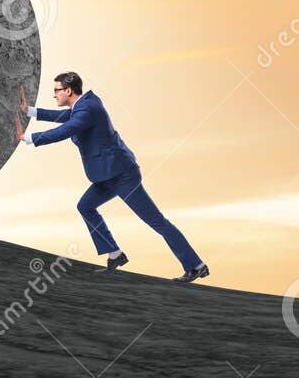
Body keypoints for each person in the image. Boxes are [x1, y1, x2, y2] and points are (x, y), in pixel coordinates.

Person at [16, 71, 209, 283]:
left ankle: (196, 266)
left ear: (68, 90)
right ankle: (115, 254)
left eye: (56, 90)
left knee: (157, 222)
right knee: (85, 206)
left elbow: (66, 129)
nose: (54, 95)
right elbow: (62, 117)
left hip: (123, 176)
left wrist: (29, 138)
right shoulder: (82, 105)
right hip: (106, 176)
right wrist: (30, 111)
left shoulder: (87, 109)